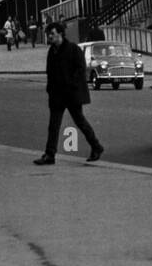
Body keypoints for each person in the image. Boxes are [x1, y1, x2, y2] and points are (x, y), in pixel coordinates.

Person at [33, 22, 104, 165]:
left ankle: (96, 147)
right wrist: (50, 89)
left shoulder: (73, 49)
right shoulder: (52, 51)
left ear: (60, 33)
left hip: (71, 94)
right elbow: (50, 73)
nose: (50, 36)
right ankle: (49, 154)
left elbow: (80, 69)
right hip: (57, 95)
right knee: (53, 125)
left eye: (52, 33)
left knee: (80, 122)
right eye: (49, 34)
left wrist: (71, 84)